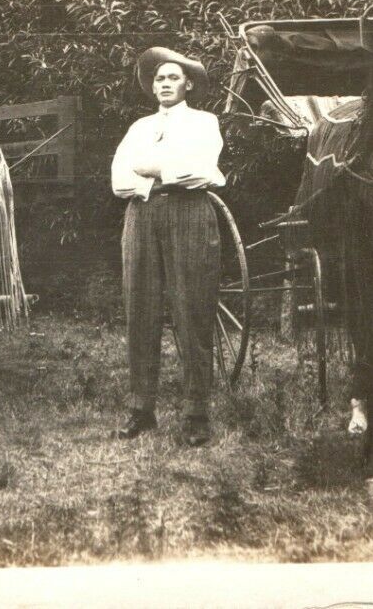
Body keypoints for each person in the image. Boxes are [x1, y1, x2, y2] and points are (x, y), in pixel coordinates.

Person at [110, 47, 227, 447]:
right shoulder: (138, 128)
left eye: (172, 78)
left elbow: (202, 170)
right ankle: (142, 409)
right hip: (141, 215)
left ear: (187, 84)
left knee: (192, 308)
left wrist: (155, 168)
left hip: (190, 214)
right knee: (139, 308)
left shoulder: (204, 122)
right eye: (159, 79)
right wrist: (157, 176)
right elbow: (119, 178)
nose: (164, 84)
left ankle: (196, 412)